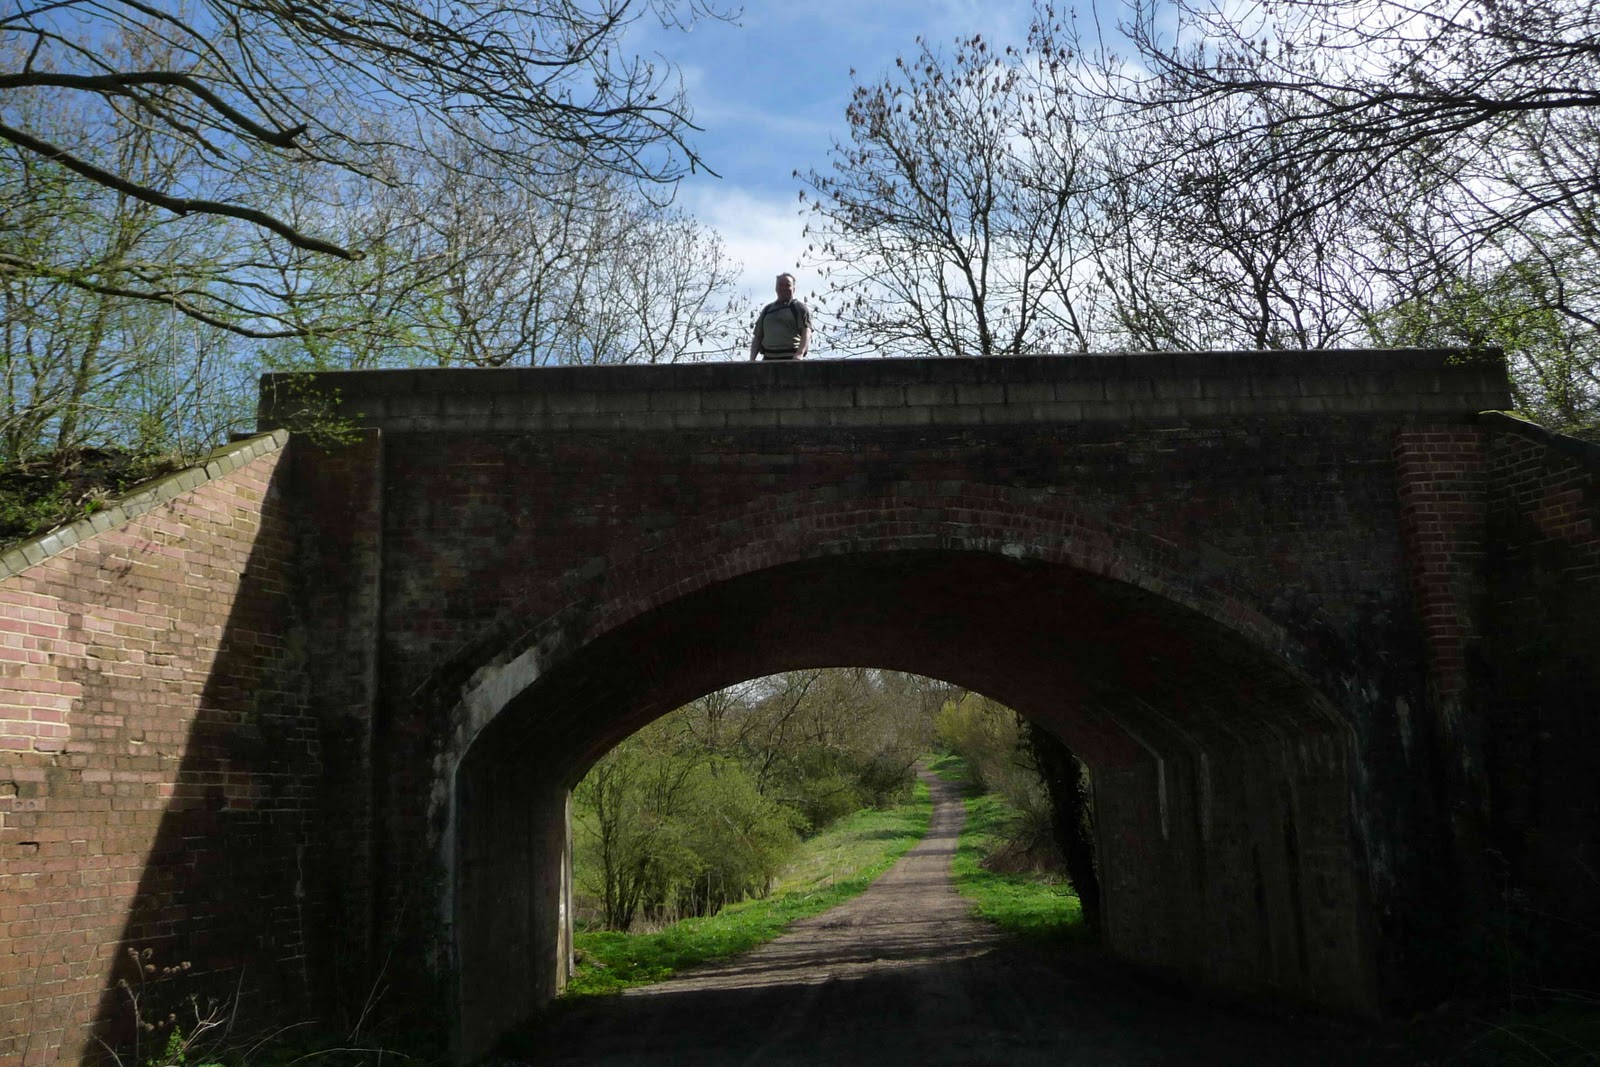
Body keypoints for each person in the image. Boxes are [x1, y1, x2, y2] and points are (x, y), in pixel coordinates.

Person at [749, 272, 812, 360]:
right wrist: (752, 358)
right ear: (776, 288)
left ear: (793, 289)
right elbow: (758, 336)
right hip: (768, 359)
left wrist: (799, 353)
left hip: (791, 359)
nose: (784, 288)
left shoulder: (798, 307)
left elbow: (806, 331)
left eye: (787, 285)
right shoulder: (767, 310)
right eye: (780, 285)